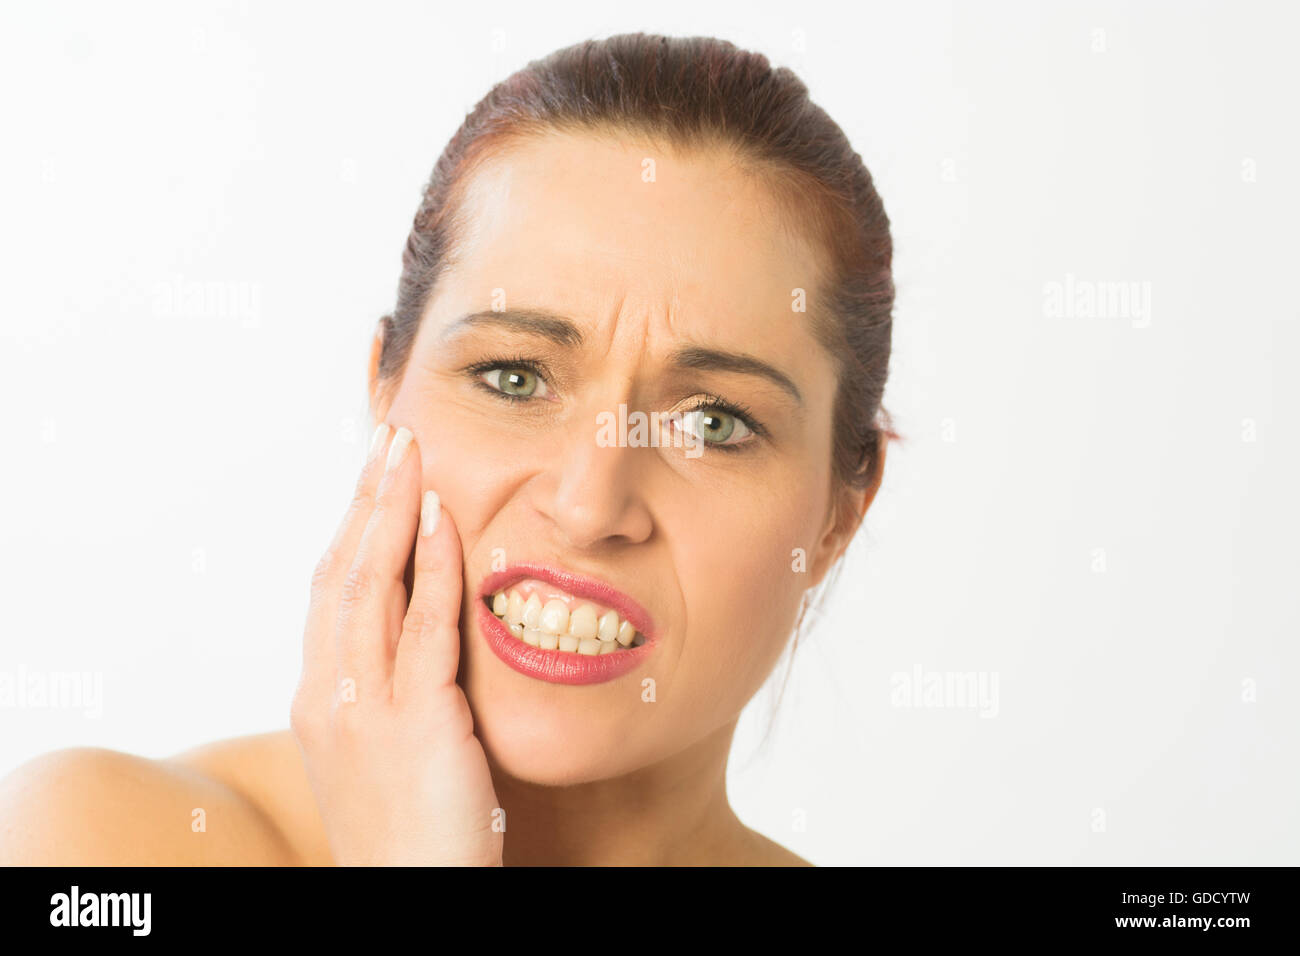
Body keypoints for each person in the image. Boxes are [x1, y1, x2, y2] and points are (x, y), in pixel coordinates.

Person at [0, 32, 893, 866]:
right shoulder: (88, 844)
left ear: (839, 514)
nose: (588, 504)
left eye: (713, 423)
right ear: (385, 389)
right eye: (514, 377)